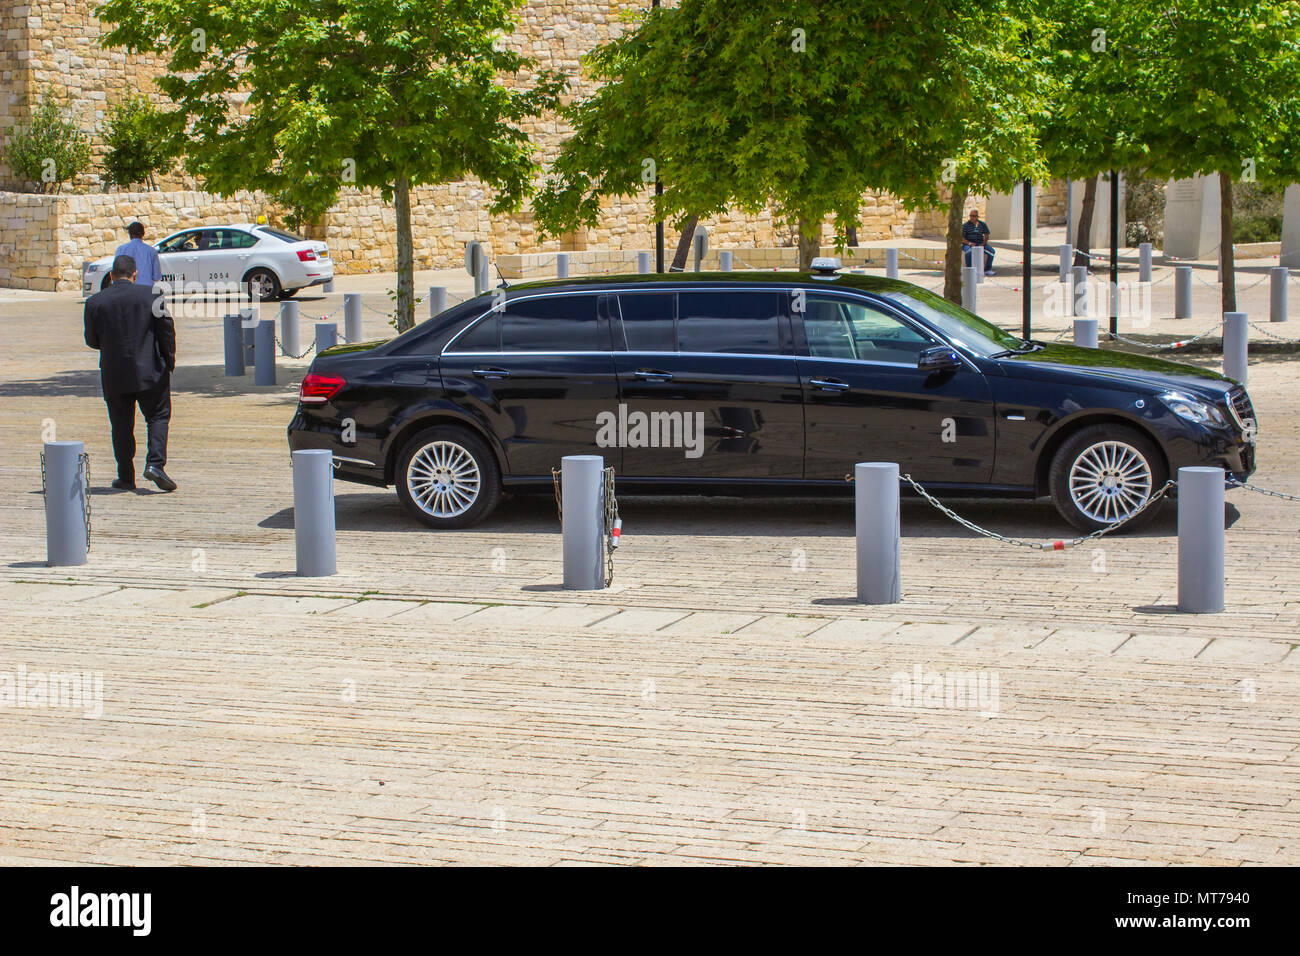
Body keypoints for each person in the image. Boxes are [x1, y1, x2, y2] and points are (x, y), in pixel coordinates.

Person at [84, 255, 178, 492]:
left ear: (112, 276)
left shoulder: (95, 302)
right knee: (157, 417)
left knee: (121, 425)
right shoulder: (152, 295)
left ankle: (125, 476)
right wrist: (168, 361)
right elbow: (166, 331)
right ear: (135, 274)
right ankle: (155, 464)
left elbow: (91, 340)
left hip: (114, 372)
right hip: (151, 370)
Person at [114, 221, 163, 288]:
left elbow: (116, 273)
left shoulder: (121, 249)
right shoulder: (152, 251)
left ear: (130, 234)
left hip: (127, 289)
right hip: (146, 290)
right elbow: (156, 276)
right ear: (143, 234)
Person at [961, 208, 995, 277]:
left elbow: (986, 235)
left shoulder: (982, 224)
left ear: (977, 217)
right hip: (969, 244)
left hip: (980, 243)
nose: (972, 217)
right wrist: (970, 243)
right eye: (971, 216)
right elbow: (962, 238)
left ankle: (987, 269)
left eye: (973, 216)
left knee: (991, 252)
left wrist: (983, 244)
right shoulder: (965, 225)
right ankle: (969, 270)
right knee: (969, 252)